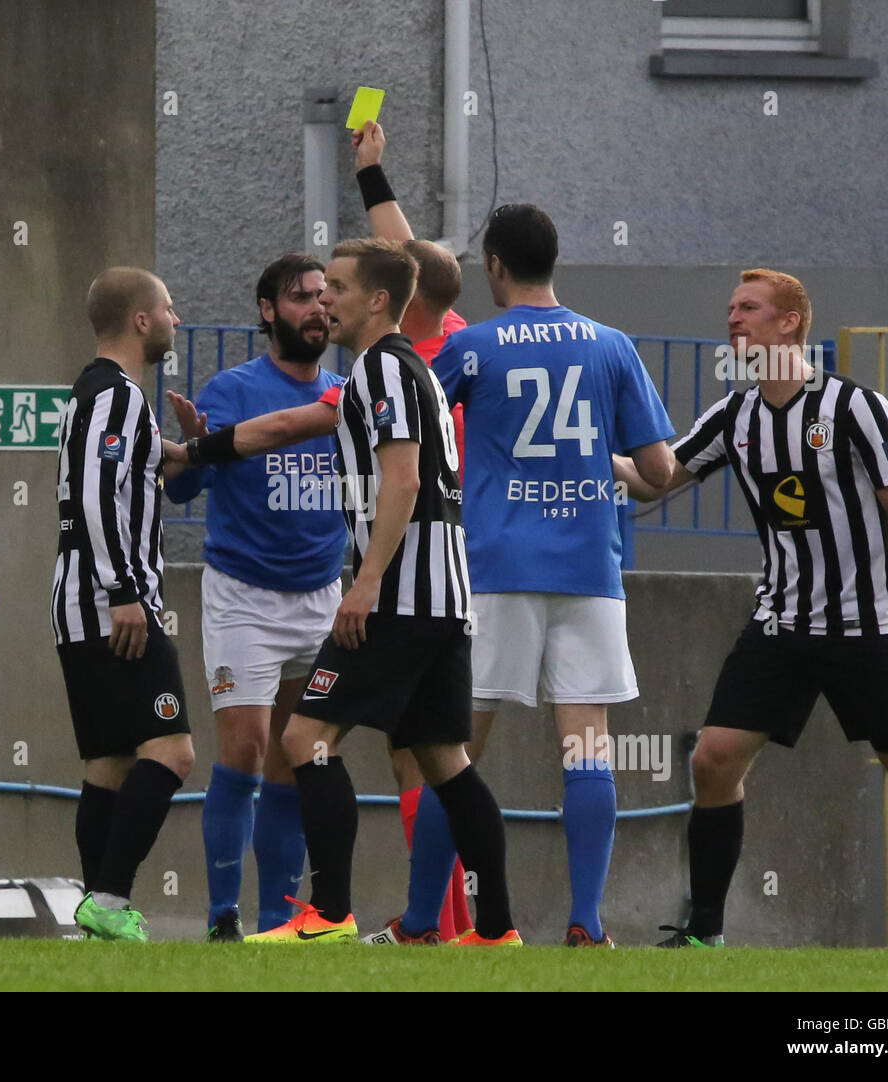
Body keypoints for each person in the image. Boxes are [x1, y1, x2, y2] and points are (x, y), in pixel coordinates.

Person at [170, 238, 520, 946]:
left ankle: (327, 915)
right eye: (317, 289)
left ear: (379, 300)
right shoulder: (394, 369)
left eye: (336, 287)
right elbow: (283, 428)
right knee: (446, 761)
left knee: (303, 739)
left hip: (399, 599)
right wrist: (196, 450)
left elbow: (402, 480)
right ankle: (497, 930)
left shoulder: (382, 370)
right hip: (443, 597)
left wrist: (363, 585)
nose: (324, 299)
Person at [612, 268, 888, 947]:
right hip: (779, 626)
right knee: (714, 758)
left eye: (749, 308)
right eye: (730, 309)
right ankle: (705, 934)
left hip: (864, 631)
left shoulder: (855, 407)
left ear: (789, 323)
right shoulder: (734, 416)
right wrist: (587, 453)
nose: (734, 319)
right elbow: (651, 483)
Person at [378, 204, 673, 948]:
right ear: (555, 260)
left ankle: (419, 925)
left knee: (455, 749)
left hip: (496, 568)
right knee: (586, 744)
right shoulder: (611, 346)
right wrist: (597, 459)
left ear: (495, 266)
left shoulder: (474, 347)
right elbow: (659, 472)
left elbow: (407, 417)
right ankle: (587, 922)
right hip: (589, 569)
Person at [163, 253, 346, 941]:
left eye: (326, 297)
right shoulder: (234, 389)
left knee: (297, 757)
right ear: (269, 310)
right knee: (243, 746)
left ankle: (278, 921)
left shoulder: (344, 394)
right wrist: (193, 445)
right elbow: (181, 489)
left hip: (322, 597)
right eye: (302, 297)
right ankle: (220, 916)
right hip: (243, 596)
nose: (318, 309)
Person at [352, 121, 472, 942]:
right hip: (456, 565)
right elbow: (413, 260)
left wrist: (208, 445)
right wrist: (372, 174)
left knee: (421, 756)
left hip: (418, 569)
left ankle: (437, 920)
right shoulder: (452, 338)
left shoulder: (401, 364)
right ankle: (458, 923)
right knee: (436, 756)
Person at [52, 267, 195, 943]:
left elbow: (124, 475)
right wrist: (124, 593)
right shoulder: (117, 396)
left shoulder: (101, 397)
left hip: (85, 607)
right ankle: (109, 898)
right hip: (110, 606)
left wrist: (181, 453)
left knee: (109, 762)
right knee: (172, 750)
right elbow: (92, 494)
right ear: (140, 320)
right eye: (167, 308)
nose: (175, 318)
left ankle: (96, 912)